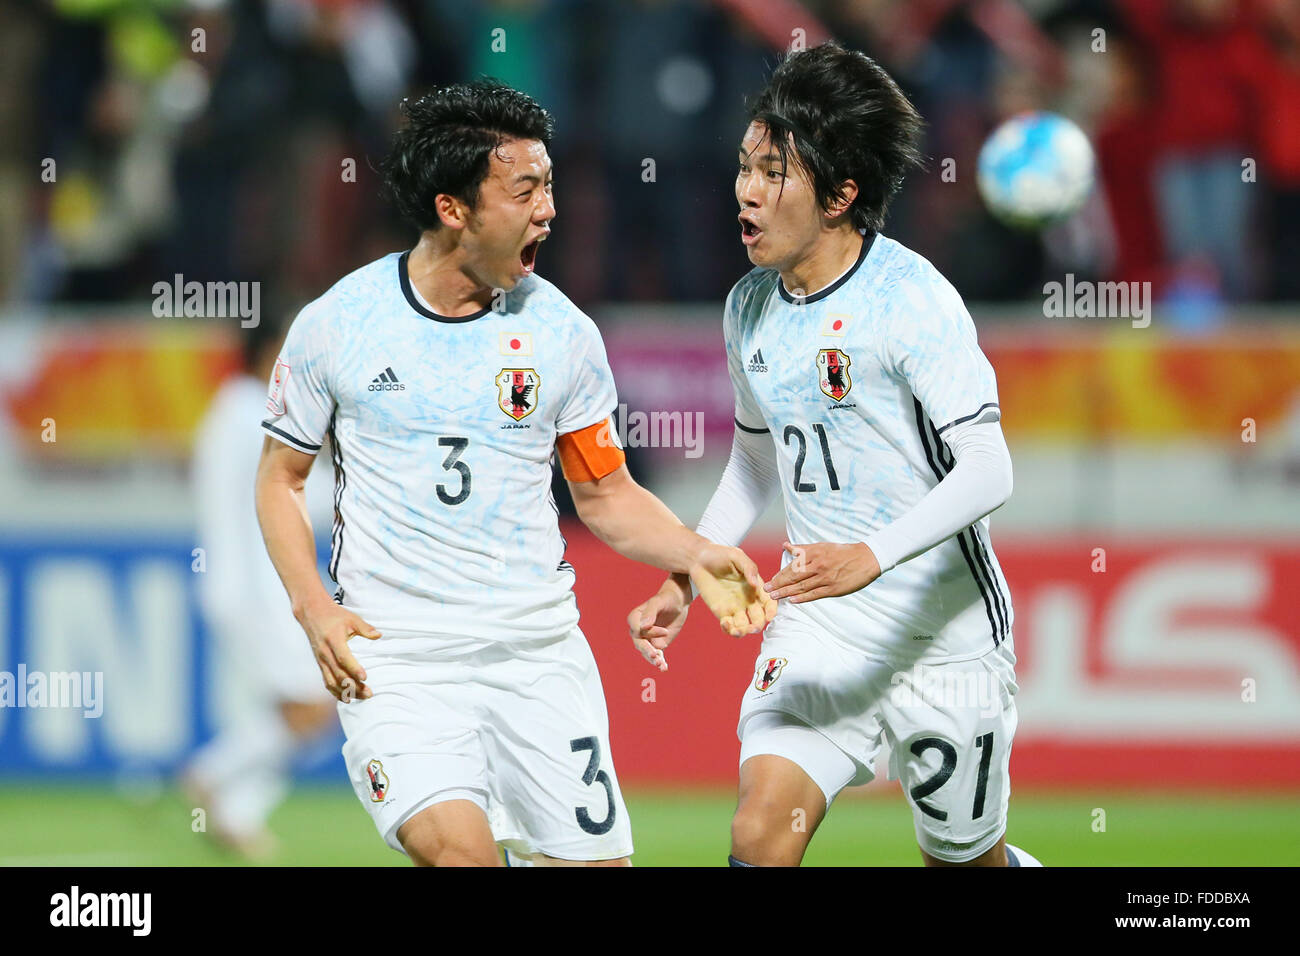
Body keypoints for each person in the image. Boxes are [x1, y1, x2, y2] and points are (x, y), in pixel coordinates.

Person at [254, 79, 775, 867]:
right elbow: (280, 480)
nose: (550, 210)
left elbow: (604, 493)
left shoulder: (562, 333)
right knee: (463, 857)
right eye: (526, 189)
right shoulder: (339, 325)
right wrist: (314, 609)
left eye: (551, 186)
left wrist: (693, 553)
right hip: (401, 658)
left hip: (536, 656)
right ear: (453, 208)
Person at [627, 42, 1042, 867]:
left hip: (941, 632)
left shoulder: (913, 299)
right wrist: (692, 567)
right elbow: (754, 457)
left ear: (841, 195)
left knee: (964, 861)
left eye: (773, 172)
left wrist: (872, 556)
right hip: (820, 622)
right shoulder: (750, 305)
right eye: (745, 166)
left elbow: (990, 467)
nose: (746, 190)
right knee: (758, 832)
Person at [183, 312, 337, 860]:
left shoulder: (227, 411)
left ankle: (234, 811)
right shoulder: (254, 415)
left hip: (243, 582)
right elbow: (301, 498)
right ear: (271, 349)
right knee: (319, 700)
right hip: (260, 585)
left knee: (295, 707)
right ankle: (212, 777)